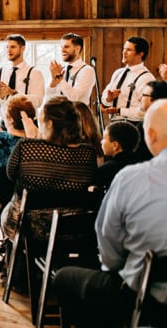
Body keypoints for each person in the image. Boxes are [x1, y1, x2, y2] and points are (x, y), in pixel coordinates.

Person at [53, 99, 167, 327]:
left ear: (151, 135)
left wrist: (116, 267)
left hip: (147, 298)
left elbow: (107, 237)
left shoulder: (132, 178)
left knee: (64, 278)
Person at [1, 96, 98, 240]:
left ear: (50, 124)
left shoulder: (26, 147)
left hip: (29, 228)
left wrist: (34, 140)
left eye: (41, 119)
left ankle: (17, 261)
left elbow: (11, 174)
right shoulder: (88, 153)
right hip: (73, 227)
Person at [100, 36, 155, 125]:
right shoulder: (118, 73)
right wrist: (108, 99)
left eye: (129, 50)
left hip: (134, 126)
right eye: (124, 49)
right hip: (114, 124)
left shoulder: (146, 78)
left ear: (140, 54)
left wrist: (120, 111)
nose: (123, 52)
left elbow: (146, 111)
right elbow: (104, 98)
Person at [0, 34, 44, 120]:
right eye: (7, 47)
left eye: (13, 47)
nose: (9, 50)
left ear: (22, 49)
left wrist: (14, 93)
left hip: (26, 123)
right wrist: (0, 96)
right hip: (5, 123)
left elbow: (38, 101)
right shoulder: (1, 71)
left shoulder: (34, 72)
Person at [45, 32, 96, 105]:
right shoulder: (61, 70)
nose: (62, 50)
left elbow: (75, 98)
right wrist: (53, 81)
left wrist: (60, 79)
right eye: (61, 47)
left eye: (66, 47)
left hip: (78, 115)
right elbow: (48, 100)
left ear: (77, 49)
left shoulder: (87, 71)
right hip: (59, 115)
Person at [94, 121, 144, 191]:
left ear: (115, 145)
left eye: (104, 138)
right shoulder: (143, 165)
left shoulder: (106, 169)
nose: (101, 141)